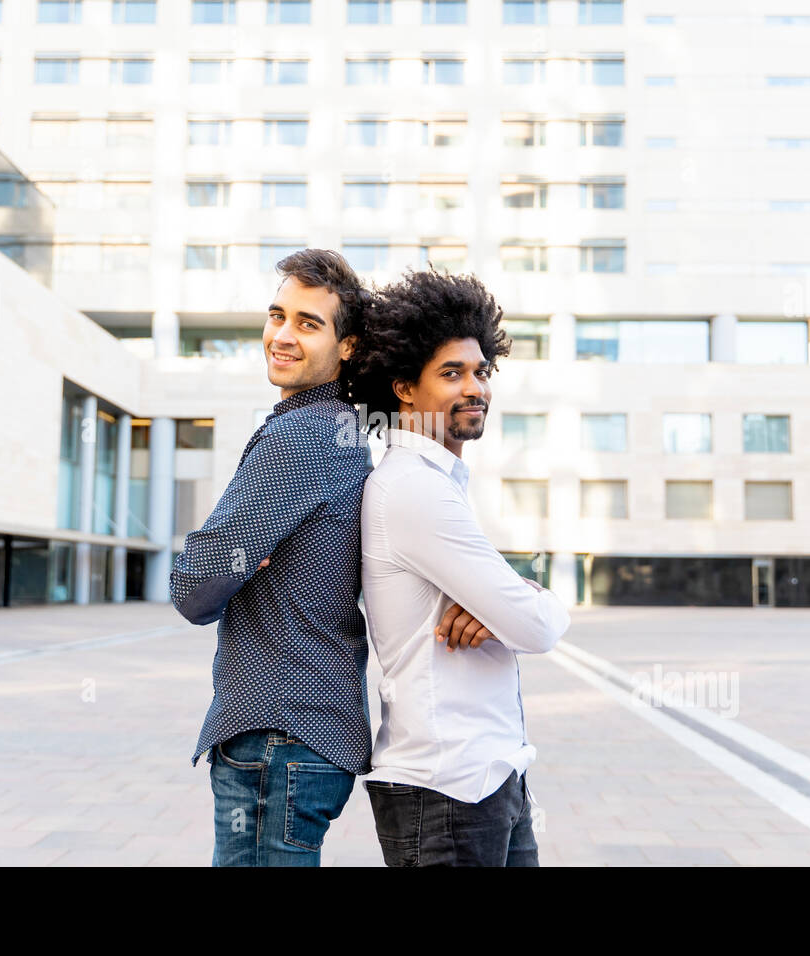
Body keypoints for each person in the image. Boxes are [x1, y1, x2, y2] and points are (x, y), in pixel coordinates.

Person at [348, 267, 570, 867]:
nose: (476, 387)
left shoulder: (436, 484)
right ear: (403, 388)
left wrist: (503, 604)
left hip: (486, 776)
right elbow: (540, 627)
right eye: (452, 373)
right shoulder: (415, 490)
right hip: (446, 791)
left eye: (481, 371)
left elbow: (519, 616)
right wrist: (520, 601)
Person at [169, 249, 372, 867]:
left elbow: (193, 588)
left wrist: (221, 562)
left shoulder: (298, 437)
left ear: (347, 348)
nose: (281, 335)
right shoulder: (336, 427)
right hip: (304, 732)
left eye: (308, 323)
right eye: (277, 315)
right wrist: (236, 559)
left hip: (275, 731)